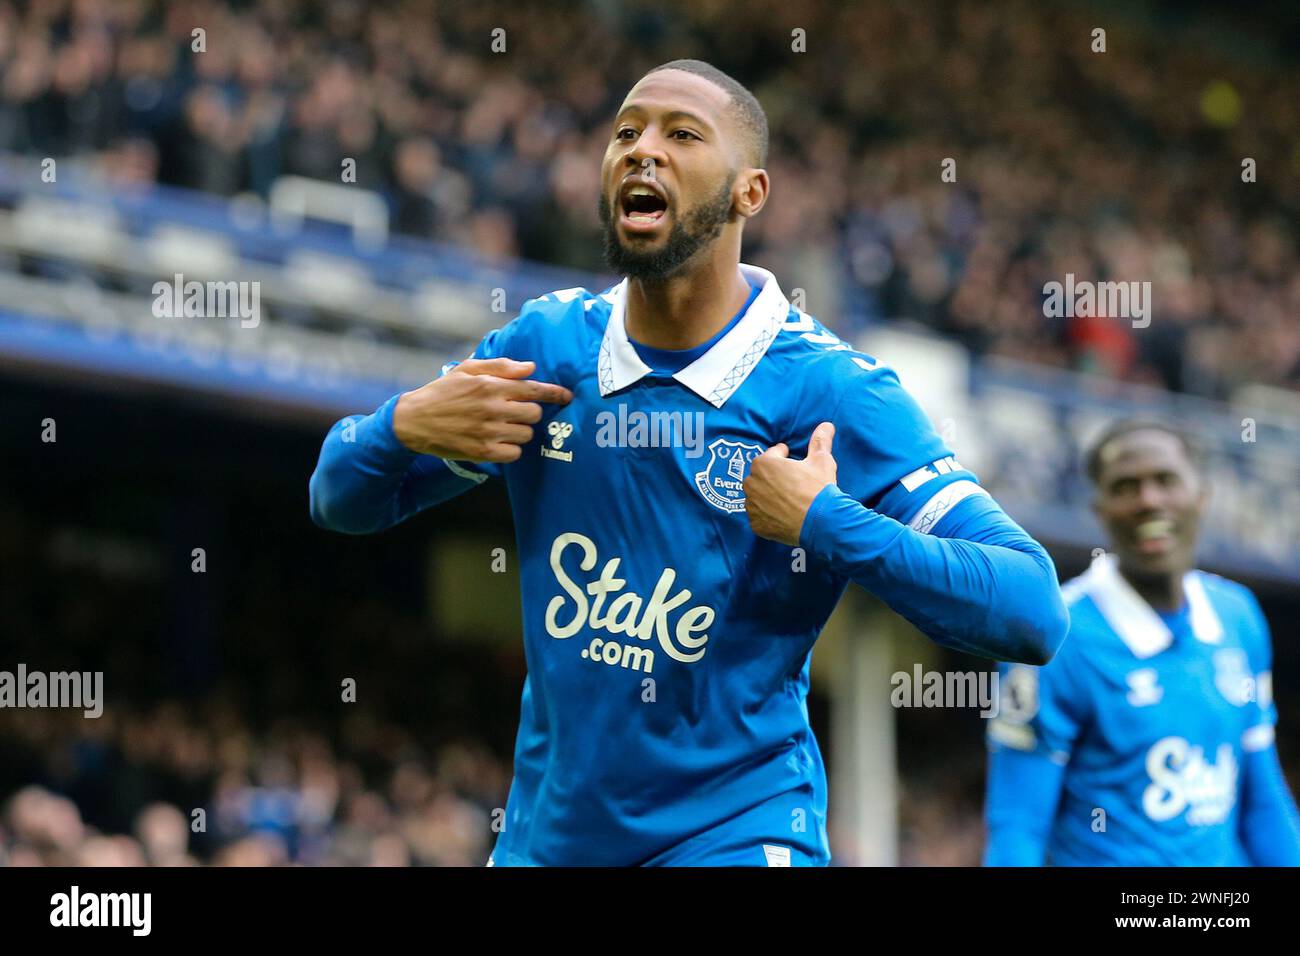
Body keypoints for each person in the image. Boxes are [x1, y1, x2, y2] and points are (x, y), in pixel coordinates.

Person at [310, 59, 1067, 866]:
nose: (643, 150)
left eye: (681, 135)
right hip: (548, 841)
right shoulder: (547, 348)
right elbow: (339, 499)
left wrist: (825, 522)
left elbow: (1031, 607)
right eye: (626, 132)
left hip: (735, 833)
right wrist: (401, 426)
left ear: (750, 192)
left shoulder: (831, 391)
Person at [984, 420, 1300, 865]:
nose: (1149, 500)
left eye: (1165, 480)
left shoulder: (1238, 616)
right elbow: (1019, 826)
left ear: (1201, 495)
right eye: (1125, 487)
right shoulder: (1053, 638)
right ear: (1099, 509)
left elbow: (1263, 801)